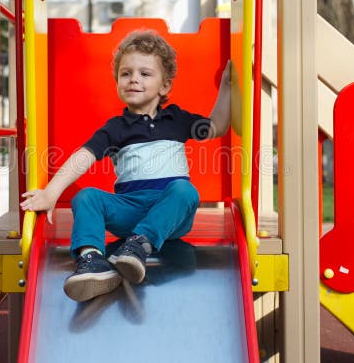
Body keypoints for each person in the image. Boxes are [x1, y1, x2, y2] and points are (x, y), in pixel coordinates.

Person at [20, 30, 232, 302]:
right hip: (129, 210)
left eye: (145, 74)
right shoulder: (116, 128)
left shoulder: (176, 120)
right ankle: (92, 261)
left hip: (171, 216)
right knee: (87, 197)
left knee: (185, 191)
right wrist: (51, 193)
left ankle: (139, 245)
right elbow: (83, 157)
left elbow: (217, 126)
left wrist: (226, 87)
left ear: (165, 86)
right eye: (126, 73)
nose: (134, 79)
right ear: (117, 81)